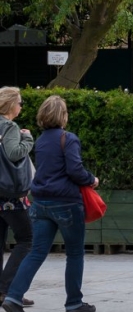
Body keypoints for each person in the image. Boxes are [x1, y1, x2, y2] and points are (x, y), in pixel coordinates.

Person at [1, 96, 98, 312]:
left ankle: (13, 297)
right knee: (74, 253)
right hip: (66, 203)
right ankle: (74, 303)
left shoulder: (42, 139)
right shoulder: (68, 138)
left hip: (41, 202)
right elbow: (75, 170)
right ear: (63, 115)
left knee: (36, 251)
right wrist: (92, 179)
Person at [0, 88, 33, 308]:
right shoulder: (9, 126)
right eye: (20, 103)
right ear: (11, 104)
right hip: (10, 196)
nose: (21, 106)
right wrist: (27, 138)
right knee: (27, 240)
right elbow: (14, 153)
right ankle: (8, 290)